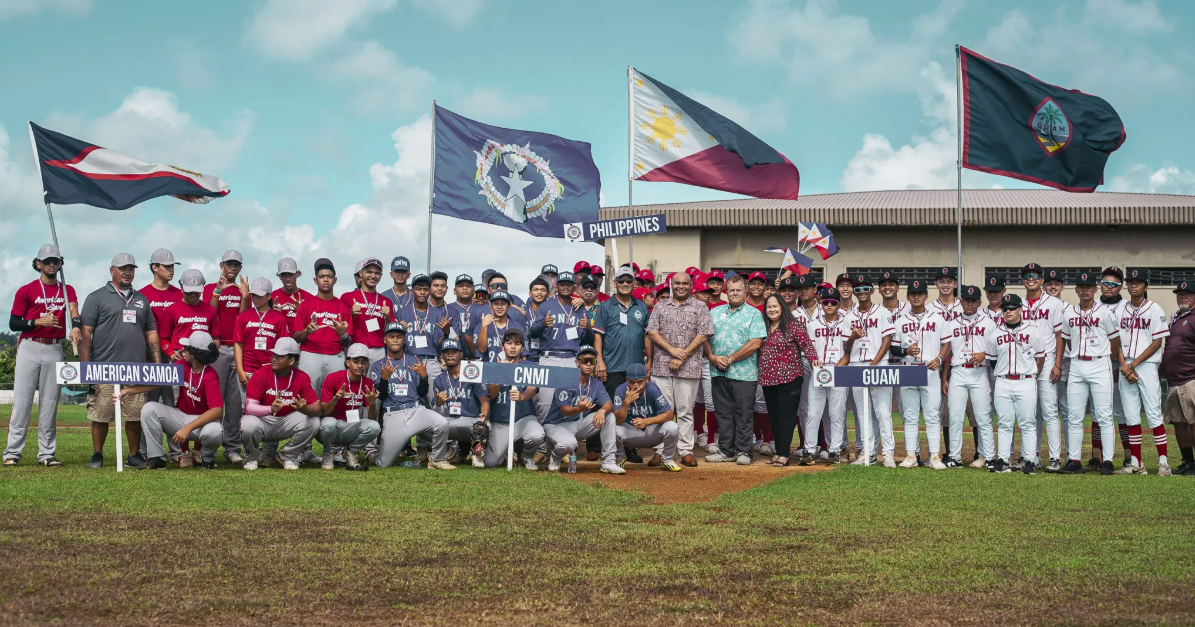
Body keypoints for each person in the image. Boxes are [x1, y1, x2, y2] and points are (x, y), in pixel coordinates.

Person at [79, 253, 162, 469]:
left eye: (131, 268)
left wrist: (157, 363)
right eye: (123, 268)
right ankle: (97, 454)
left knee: (134, 415)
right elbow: (86, 334)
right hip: (104, 366)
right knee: (101, 413)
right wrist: (87, 367)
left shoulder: (141, 299)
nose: (128, 272)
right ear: (112, 270)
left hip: (134, 368)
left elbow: (151, 332)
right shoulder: (96, 297)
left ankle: (133, 455)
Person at [4, 244, 81, 467]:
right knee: (22, 401)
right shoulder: (26, 290)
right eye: (46, 261)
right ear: (38, 264)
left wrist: (75, 326)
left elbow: (74, 310)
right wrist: (38, 321)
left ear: (60, 264)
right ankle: (12, 452)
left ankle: (47, 454)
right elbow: (13, 322)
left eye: (55, 261)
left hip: (55, 347)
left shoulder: (67, 289)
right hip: (30, 345)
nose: (51, 264)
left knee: (50, 402)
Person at [646, 271, 713, 467]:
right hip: (662, 367)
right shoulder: (660, 307)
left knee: (685, 410)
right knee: (663, 411)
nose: (681, 286)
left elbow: (704, 334)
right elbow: (652, 332)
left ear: (691, 286)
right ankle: (660, 450)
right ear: (671, 285)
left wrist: (682, 354)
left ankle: (685, 450)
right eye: (677, 283)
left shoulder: (700, 307)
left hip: (689, 367)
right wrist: (673, 351)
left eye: (685, 283)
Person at [1059, 271, 1122, 475]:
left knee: (1104, 415)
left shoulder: (1105, 312)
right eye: (1081, 287)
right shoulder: (1069, 313)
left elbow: (1115, 342)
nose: (1084, 290)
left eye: (1088, 287)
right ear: (1076, 290)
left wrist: (1104, 359)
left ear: (1095, 289)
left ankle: (1108, 461)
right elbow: (1067, 340)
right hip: (1077, 363)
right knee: (1075, 415)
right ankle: (1074, 459)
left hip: (1099, 363)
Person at [368, 326, 455, 469]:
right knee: (383, 464)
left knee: (441, 423)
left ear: (404, 340)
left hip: (416, 410)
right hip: (393, 414)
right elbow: (382, 396)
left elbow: (422, 393)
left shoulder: (414, 361)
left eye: (399, 336)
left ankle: (436, 459)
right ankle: (372, 454)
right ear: (385, 340)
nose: (395, 339)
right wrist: (383, 379)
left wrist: (423, 377)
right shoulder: (379, 365)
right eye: (391, 336)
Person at [705, 274, 767, 465]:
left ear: (745, 290)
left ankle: (744, 451)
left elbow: (756, 342)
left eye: (739, 290)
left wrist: (731, 359)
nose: (735, 293)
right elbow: (704, 337)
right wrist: (712, 357)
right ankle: (726, 450)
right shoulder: (715, 312)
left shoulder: (754, 314)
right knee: (723, 412)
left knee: (744, 412)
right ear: (726, 291)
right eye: (731, 290)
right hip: (718, 371)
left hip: (744, 373)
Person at [1114, 268, 1171, 475]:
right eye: (1130, 282)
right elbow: (1116, 342)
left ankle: (1163, 463)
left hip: (1145, 365)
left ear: (1146, 287)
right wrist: (1124, 366)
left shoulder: (1155, 309)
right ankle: (1137, 464)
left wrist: (1133, 365)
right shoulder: (1119, 310)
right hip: (1125, 365)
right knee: (1131, 417)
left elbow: (1157, 342)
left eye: (1137, 282)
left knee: (1154, 414)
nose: (1133, 285)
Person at [140, 331, 224, 470]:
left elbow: (217, 410)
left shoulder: (210, 376)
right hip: (181, 417)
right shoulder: (182, 365)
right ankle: (157, 458)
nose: (184, 351)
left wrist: (187, 428)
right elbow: (158, 381)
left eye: (187, 348)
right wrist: (128, 391)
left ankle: (207, 459)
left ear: (195, 353)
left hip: (200, 422)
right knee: (149, 408)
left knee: (215, 431)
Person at [593, 265, 652, 462]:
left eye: (629, 281)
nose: (625, 284)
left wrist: (649, 360)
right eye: (621, 281)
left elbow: (646, 336)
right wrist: (599, 361)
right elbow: (598, 336)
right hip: (611, 367)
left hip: (635, 369)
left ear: (634, 283)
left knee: (632, 409)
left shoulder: (641, 307)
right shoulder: (605, 307)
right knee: (611, 409)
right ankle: (609, 450)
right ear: (615, 283)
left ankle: (630, 449)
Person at [983, 294, 1046, 474]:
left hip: (1025, 381)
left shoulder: (1032, 331)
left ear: (1020, 309)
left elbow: (1040, 357)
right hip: (1003, 381)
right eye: (1005, 308)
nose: (1008, 311)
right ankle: (1003, 460)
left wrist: (1032, 375)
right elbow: (992, 361)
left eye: (1012, 308)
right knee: (1004, 423)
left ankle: (1030, 461)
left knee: (1027, 422)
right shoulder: (995, 334)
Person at [891, 280, 951, 469]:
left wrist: (940, 359)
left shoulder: (938, 318)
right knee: (910, 415)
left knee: (932, 415)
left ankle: (934, 456)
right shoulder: (900, 321)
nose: (916, 296)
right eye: (913, 293)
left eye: (920, 293)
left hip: (929, 368)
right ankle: (911, 455)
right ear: (907, 297)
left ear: (926, 296)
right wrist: (905, 351)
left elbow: (947, 343)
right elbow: (893, 347)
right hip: (908, 368)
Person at [241, 337, 321, 470]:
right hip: (264, 420)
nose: (274, 358)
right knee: (247, 423)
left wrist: (305, 408)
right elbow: (249, 408)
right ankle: (252, 458)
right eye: (274, 354)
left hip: (286, 421)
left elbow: (317, 409)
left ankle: (287, 456)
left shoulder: (302, 377)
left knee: (314, 421)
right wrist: (270, 408)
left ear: (291, 360)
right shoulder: (261, 374)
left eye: (280, 356)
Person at [757, 293, 817, 466]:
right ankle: (779, 452)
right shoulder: (763, 327)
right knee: (774, 417)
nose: (772, 309)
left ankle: (784, 454)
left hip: (789, 378)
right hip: (768, 380)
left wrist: (814, 360)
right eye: (769, 307)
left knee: (786, 417)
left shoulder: (793, 326)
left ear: (782, 306)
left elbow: (806, 345)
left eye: (775, 306)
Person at [543, 345, 622, 474]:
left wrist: (602, 410)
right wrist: (579, 409)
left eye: (593, 361)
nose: (589, 364)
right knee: (569, 444)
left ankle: (608, 462)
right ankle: (555, 457)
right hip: (556, 425)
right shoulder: (566, 380)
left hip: (578, 425)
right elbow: (564, 410)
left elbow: (608, 404)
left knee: (609, 416)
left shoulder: (596, 383)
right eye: (585, 361)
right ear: (577, 363)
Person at [202, 250, 250, 463]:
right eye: (228, 263)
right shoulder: (209, 289)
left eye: (236, 264)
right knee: (214, 401)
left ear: (240, 267)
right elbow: (209, 315)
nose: (232, 267)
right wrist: (218, 292)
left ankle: (232, 449)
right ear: (221, 265)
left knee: (234, 402)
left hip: (238, 348)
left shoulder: (243, 289)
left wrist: (246, 296)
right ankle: (209, 449)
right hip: (217, 350)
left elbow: (244, 319)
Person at [943, 286, 996, 469]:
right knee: (955, 416)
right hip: (958, 370)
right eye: (966, 300)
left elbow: (997, 350)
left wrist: (985, 355)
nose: (970, 303)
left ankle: (987, 456)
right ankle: (955, 457)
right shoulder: (951, 323)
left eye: (974, 300)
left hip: (979, 371)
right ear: (960, 301)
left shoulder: (989, 323)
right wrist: (945, 377)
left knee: (983, 416)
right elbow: (947, 353)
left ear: (980, 303)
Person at [846, 274, 896, 466]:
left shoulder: (882, 312)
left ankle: (889, 453)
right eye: (858, 290)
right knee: (863, 413)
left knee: (883, 411)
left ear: (872, 291)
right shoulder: (849, 316)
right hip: (857, 364)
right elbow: (845, 347)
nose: (861, 292)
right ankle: (869, 453)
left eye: (865, 289)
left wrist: (875, 363)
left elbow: (887, 340)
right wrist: (852, 337)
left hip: (878, 363)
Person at [799, 288, 854, 464]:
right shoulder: (813, 324)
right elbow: (809, 349)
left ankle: (835, 450)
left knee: (836, 413)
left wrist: (839, 366)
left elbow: (849, 350)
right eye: (826, 302)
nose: (829, 305)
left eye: (833, 302)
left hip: (839, 369)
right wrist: (814, 360)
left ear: (839, 304)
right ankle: (809, 449)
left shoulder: (846, 323)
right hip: (820, 370)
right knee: (813, 412)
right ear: (821, 303)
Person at [1019, 263, 1065, 471]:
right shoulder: (1018, 303)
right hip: (1024, 362)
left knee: (1049, 410)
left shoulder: (1054, 303)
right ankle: (1032, 455)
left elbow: (1059, 335)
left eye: (1035, 276)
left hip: (1046, 361)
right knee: (1029, 412)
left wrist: (1057, 364)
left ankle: (1054, 457)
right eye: (1027, 276)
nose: (1031, 278)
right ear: (1022, 280)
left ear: (1041, 280)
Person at [485, 328, 547, 469]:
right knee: (491, 463)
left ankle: (527, 455)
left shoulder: (529, 366)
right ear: (502, 346)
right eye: (509, 343)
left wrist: (522, 396)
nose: (513, 347)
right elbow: (492, 394)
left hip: (523, 418)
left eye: (517, 344)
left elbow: (532, 389)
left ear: (522, 348)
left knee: (537, 434)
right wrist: (500, 373)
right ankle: (506, 452)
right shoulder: (494, 366)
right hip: (501, 422)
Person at [529, 270, 587, 419]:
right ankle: (542, 440)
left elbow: (588, 339)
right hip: (550, 357)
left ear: (575, 287)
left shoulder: (580, 308)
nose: (566, 287)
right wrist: (542, 324)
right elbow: (533, 332)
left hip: (572, 359)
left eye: (569, 284)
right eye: (562, 284)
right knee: (545, 402)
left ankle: (567, 437)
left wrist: (589, 329)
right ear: (557, 286)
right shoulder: (546, 305)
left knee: (571, 401)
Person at [318, 343, 383, 470]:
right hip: (331, 426)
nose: (360, 366)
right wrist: (336, 398)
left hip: (351, 426)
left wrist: (371, 403)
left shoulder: (368, 383)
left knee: (375, 426)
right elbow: (324, 412)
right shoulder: (333, 378)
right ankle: (328, 453)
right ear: (348, 362)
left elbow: (372, 417)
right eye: (356, 361)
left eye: (363, 362)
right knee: (328, 423)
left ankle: (351, 452)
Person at [293, 258, 353, 395]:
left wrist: (342, 334)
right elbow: (296, 336)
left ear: (335, 280)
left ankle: (332, 418)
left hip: (335, 356)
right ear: (315, 280)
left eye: (329, 277)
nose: (326, 280)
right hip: (310, 354)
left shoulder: (343, 307)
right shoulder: (305, 305)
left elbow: (348, 341)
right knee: (307, 394)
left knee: (336, 394)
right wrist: (307, 331)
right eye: (322, 277)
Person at [432, 338, 489, 466]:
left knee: (483, 427)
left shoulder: (472, 374)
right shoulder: (439, 379)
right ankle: (449, 452)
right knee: (429, 427)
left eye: (454, 351)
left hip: (470, 420)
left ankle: (477, 454)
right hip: (450, 421)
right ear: (442, 356)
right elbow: (436, 412)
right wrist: (439, 403)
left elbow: (484, 400)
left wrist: (483, 417)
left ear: (461, 354)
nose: (450, 354)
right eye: (447, 352)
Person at [613, 363, 680, 471]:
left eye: (640, 382)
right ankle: (619, 458)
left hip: (651, 431)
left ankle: (667, 460)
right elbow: (617, 421)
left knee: (672, 427)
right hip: (631, 432)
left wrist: (646, 421)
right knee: (612, 428)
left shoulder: (653, 389)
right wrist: (626, 403)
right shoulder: (621, 390)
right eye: (632, 382)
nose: (636, 386)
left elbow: (669, 414)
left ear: (646, 379)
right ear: (626, 380)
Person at [395, 273, 448, 404]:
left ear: (430, 291)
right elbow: (394, 341)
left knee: (436, 401)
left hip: (431, 361)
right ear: (412, 291)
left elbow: (440, 345)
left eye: (425, 289)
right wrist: (400, 330)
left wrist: (446, 333)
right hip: (409, 360)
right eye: (419, 289)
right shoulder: (402, 312)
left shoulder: (438, 313)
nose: (422, 292)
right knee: (408, 399)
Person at [139, 248, 182, 407]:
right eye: (167, 266)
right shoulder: (142, 295)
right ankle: (148, 433)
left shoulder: (180, 294)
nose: (171, 270)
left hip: (175, 353)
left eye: (172, 266)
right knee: (150, 400)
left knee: (172, 402)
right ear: (154, 267)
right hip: (151, 354)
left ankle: (174, 432)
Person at [1162, 280, 1195, 476]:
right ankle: (1188, 462)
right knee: (1179, 422)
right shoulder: (1176, 317)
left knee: (1193, 422)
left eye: (1188, 293)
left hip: (1191, 377)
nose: (1183, 296)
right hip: (1174, 380)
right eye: (1180, 293)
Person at [342, 257, 392, 364]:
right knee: (355, 380)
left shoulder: (386, 301)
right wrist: (350, 314)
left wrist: (387, 318)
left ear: (381, 276)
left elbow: (388, 332)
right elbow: (340, 326)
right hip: (355, 346)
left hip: (378, 349)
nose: (373, 276)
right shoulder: (347, 297)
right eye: (369, 272)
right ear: (361, 273)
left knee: (376, 380)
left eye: (377, 273)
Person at [476, 290, 523, 363]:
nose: (499, 307)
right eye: (495, 304)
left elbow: (523, 355)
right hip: (488, 369)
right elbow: (481, 349)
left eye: (503, 304)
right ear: (491, 306)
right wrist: (484, 326)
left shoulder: (518, 326)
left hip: (511, 369)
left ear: (509, 306)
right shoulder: (481, 325)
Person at [446, 274, 484, 358]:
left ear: (473, 291)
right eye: (460, 286)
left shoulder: (481, 309)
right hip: (453, 357)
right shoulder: (447, 308)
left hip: (477, 357)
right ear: (454, 291)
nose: (465, 288)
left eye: (468, 286)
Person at [271, 257, 311, 328]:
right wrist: (271, 314)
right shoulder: (271, 297)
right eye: (284, 275)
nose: (288, 279)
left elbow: (313, 326)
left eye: (290, 274)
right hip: (279, 338)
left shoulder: (309, 298)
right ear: (279, 276)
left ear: (297, 274)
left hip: (301, 338)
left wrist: (301, 311)